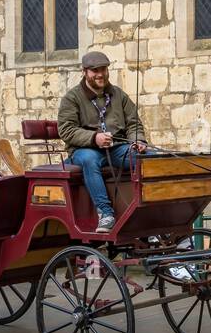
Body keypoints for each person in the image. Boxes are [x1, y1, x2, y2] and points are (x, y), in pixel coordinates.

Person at [57, 50, 148, 233]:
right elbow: (66, 130)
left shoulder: (118, 95)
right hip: (84, 150)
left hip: (116, 148)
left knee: (143, 158)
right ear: (85, 72)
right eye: (95, 70)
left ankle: (146, 212)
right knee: (90, 160)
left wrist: (137, 140)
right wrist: (94, 138)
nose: (100, 74)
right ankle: (105, 213)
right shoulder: (72, 98)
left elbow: (133, 123)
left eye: (104, 69)